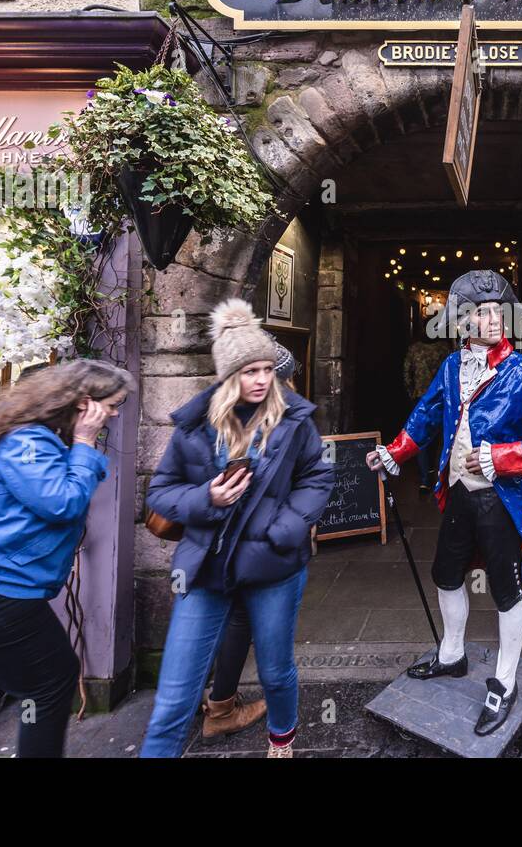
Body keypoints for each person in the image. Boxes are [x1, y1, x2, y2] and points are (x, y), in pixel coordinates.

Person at [366, 269, 522, 736]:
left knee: (505, 591)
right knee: (445, 574)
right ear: (463, 321)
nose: (495, 319)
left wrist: (500, 456)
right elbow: (428, 413)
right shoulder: (451, 367)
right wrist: (395, 451)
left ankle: (505, 679)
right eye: (483, 312)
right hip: (458, 492)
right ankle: (452, 654)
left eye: (498, 311)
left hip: (498, 501)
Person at [141, 302, 333, 758]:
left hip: (273, 566)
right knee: (175, 692)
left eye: (267, 369)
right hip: (205, 568)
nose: (263, 380)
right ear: (230, 376)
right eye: (250, 371)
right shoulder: (195, 426)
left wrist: (284, 530)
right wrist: (207, 498)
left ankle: (282, 742)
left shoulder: (294, 420)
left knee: (276, 671)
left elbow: (318, 475)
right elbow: (160, 493)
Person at [0, 359, 133, 758]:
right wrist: (84, 442)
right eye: (112, 404)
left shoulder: (33, 433)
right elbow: (62, 503)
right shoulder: (26, 440)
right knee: (52, 683)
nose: (115, 414)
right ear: (84, 403)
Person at [200, 342, 299, 741]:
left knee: (231, 617)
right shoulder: (275, 418)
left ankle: (215, 701)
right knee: (252, 629)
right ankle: (225, 708)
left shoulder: (221, 414)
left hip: (224, 541)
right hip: (251, 543)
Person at [403, 334, 450, 492]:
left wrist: (412, 394)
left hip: (420, 398)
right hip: (440, 397)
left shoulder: (414, 349)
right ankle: (435, 473)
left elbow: (406, 373)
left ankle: (425, 479)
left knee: (420, 437)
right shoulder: (443, 348)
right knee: (438, 436)